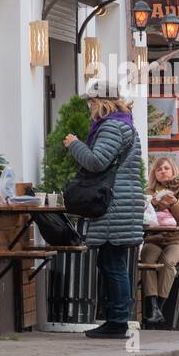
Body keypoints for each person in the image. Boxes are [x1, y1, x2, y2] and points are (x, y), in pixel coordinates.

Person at [63, 79, 143, 339]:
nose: (89, 107)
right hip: (122, 202)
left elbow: (97, 162)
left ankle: (118, 321)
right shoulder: (125, 124)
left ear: (100, 102)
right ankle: (116, 319)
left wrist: (74, 144)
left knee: (113, 263)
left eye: (91, 102)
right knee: (113, 261)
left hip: (114, 204)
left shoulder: (111, 127)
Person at [140, 156, 179, 325]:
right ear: (154, 175)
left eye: (166, 168)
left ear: (173, 170)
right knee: (147, 259)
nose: (163, 171)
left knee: (167, 261)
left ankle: (159, 306)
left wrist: (174, 203)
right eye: (159, 169)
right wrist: (152, 205)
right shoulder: (148, 194)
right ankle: (151, 306)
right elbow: (142, 218)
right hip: (155, 238)